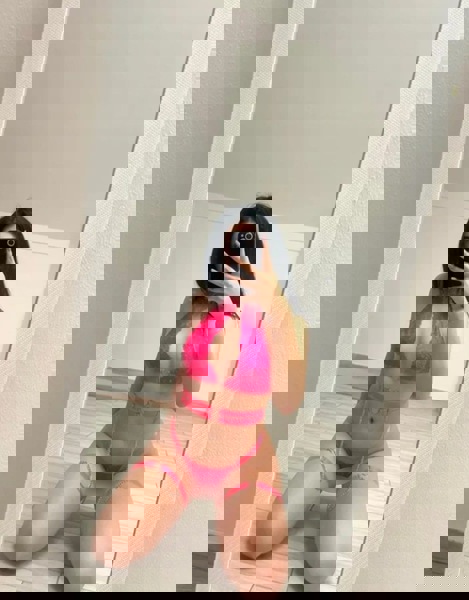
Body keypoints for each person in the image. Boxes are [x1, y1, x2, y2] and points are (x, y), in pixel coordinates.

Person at [3, 202, 307, 593]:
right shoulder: (215, 311)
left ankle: (31, 558)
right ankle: (31, 559)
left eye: (247, 251)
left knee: (99, 483)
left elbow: (268, 388)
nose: (237, 260)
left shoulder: (244, 316)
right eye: (236, 248)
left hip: (185, 433)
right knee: (96, 482)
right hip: (159, 427)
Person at [244, 219, 469, 590]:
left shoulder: (439, 299)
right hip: (405, 419)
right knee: (352, 494)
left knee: (335, 461)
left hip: (389, 391)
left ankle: (267, 545)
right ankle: (307, 573)